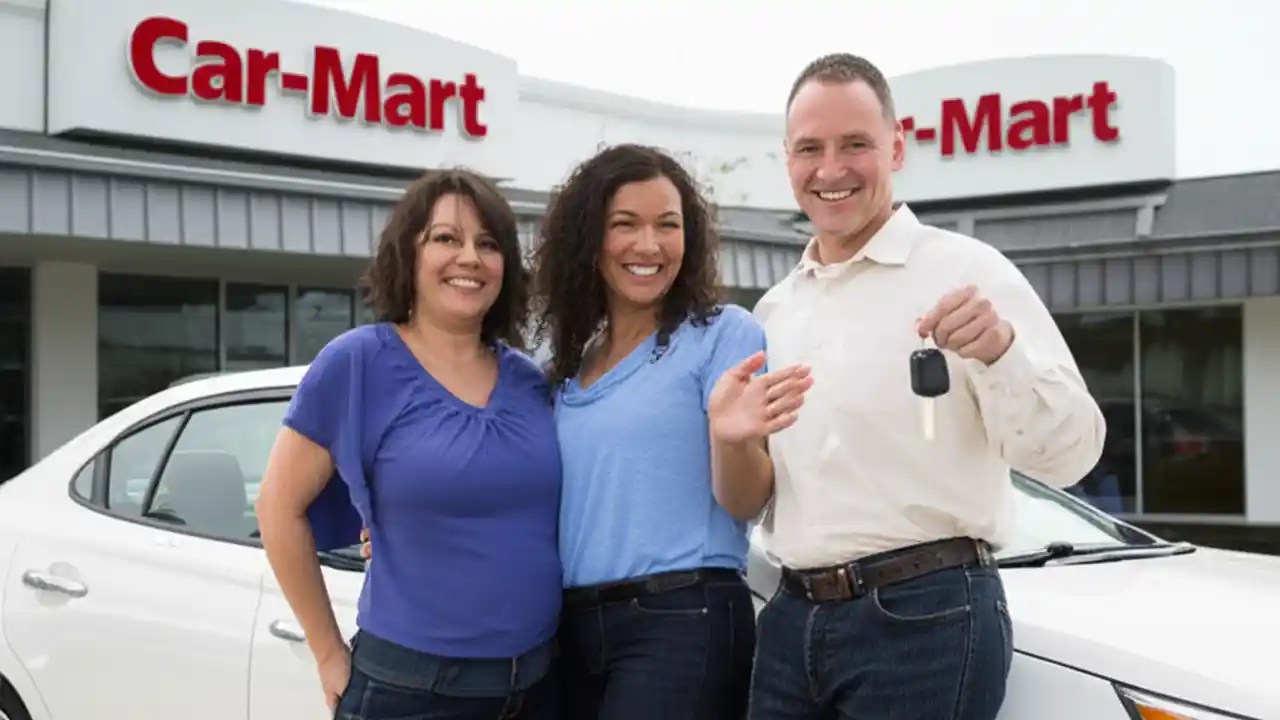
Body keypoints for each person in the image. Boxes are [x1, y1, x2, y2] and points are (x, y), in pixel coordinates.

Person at [717, 54, 1108, 720]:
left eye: (855, 144)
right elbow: (766, 497)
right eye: (810, 148)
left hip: (926, 621)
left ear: (897, 148)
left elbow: (1073, 455)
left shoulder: (967, 271)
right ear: (787, 158)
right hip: (791, 622)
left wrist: (1001, 352)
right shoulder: (776, 311)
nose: (830, 169)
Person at [254, 168, 563, 719]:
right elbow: (278, 507)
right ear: (409, 253)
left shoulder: (530, 380)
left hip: (538, 685)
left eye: (488, 244)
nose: (469, 257)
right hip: (412, 691)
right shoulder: (357, 363)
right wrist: (327, 652)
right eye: (446, 238)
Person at [532, 143, 811, 719]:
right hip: (570, 627)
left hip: (682, 620)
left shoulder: (723, 335)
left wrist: (730, 438)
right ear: (589, 238)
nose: (649, 245)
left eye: (667, 225)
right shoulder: (568, 366)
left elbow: (747, 500)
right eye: (625, 224)